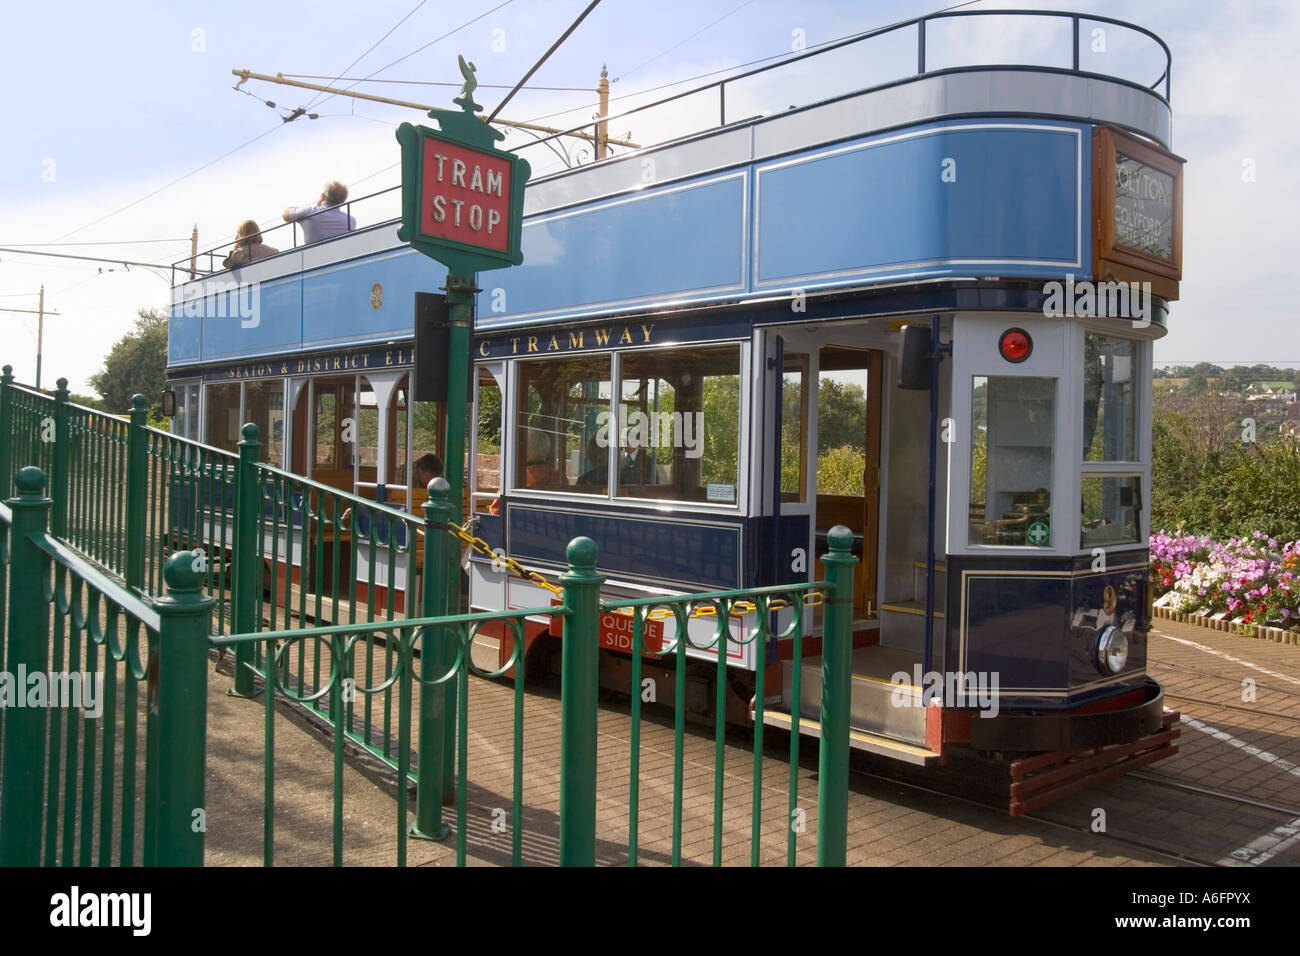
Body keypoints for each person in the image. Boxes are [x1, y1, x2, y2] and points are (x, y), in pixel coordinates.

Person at [282, 180, 356, 245]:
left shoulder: (310, 211)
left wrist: (297, 210)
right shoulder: (351, 220)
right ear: (343, 200)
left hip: (313, 256)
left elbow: (286, 216)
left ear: (323, 196)